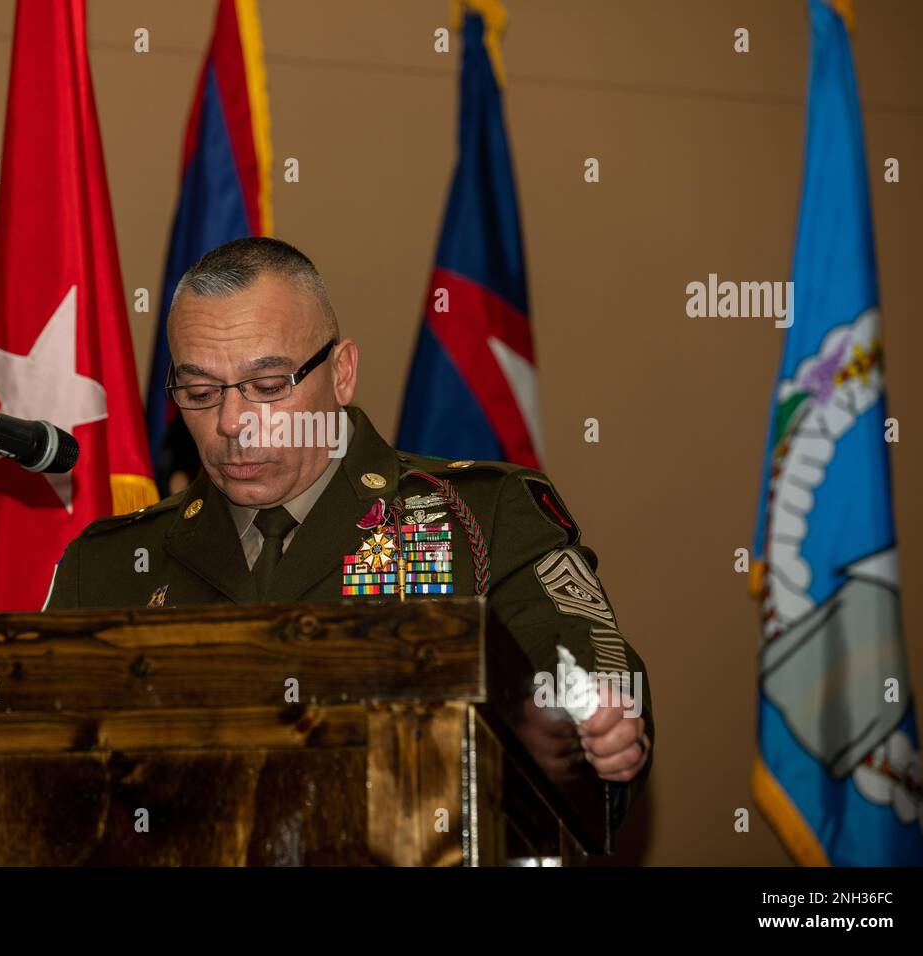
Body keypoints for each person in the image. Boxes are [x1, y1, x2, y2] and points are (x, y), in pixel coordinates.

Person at [44, 236, 652, 820]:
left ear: (341, 372)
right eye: (200, 391)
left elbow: (579, 657)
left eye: (267, 386)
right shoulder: (107, 568)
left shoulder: (483, 516)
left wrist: (598, 713)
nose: (232, 422)